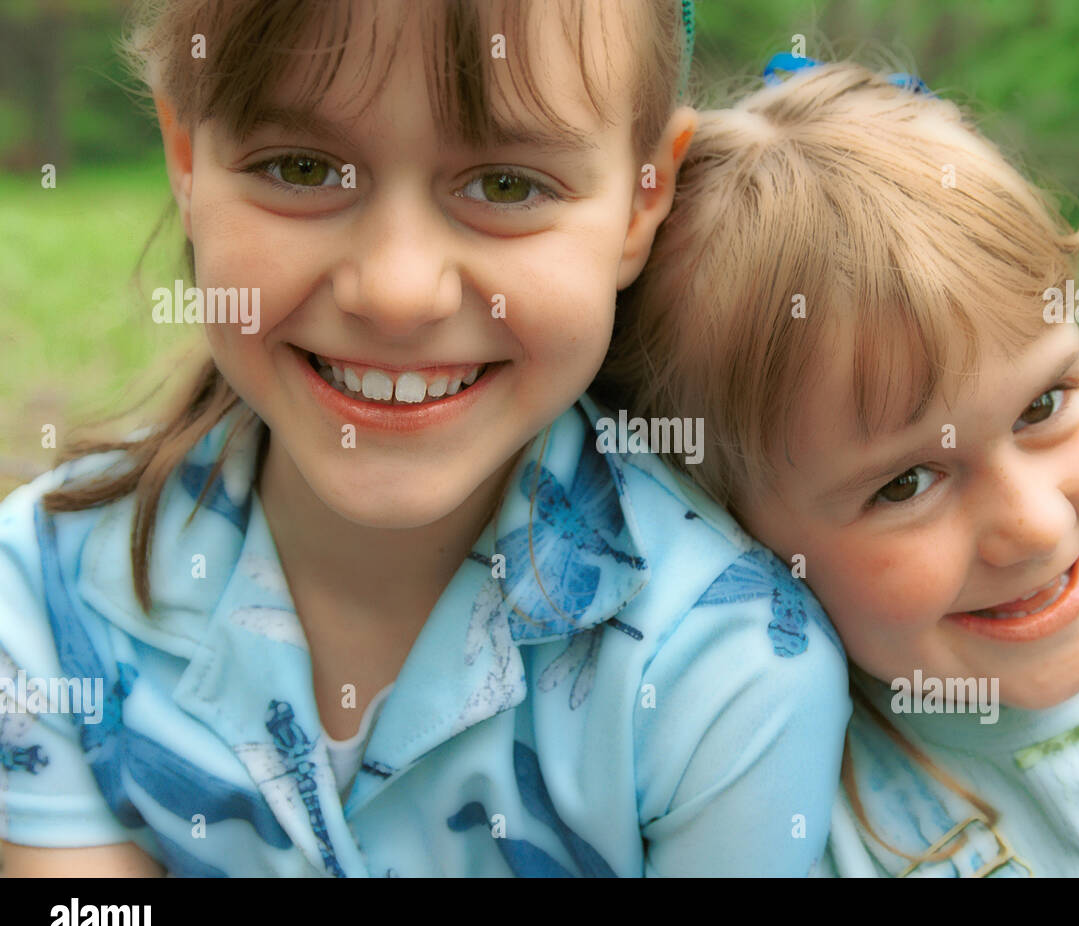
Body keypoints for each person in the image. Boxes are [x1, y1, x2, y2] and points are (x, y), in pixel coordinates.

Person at [0, 1, 850, 878]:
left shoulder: (729, 676)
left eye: (507, 186)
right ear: (185, 159)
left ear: (642, 204)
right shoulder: (42, 596)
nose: (398, 291)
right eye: (301, 167)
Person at [596, 59, 1079, 876]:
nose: (1035, 525)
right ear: (731, 536)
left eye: (1043, 406)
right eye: (905, 484)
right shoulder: (777, 826)